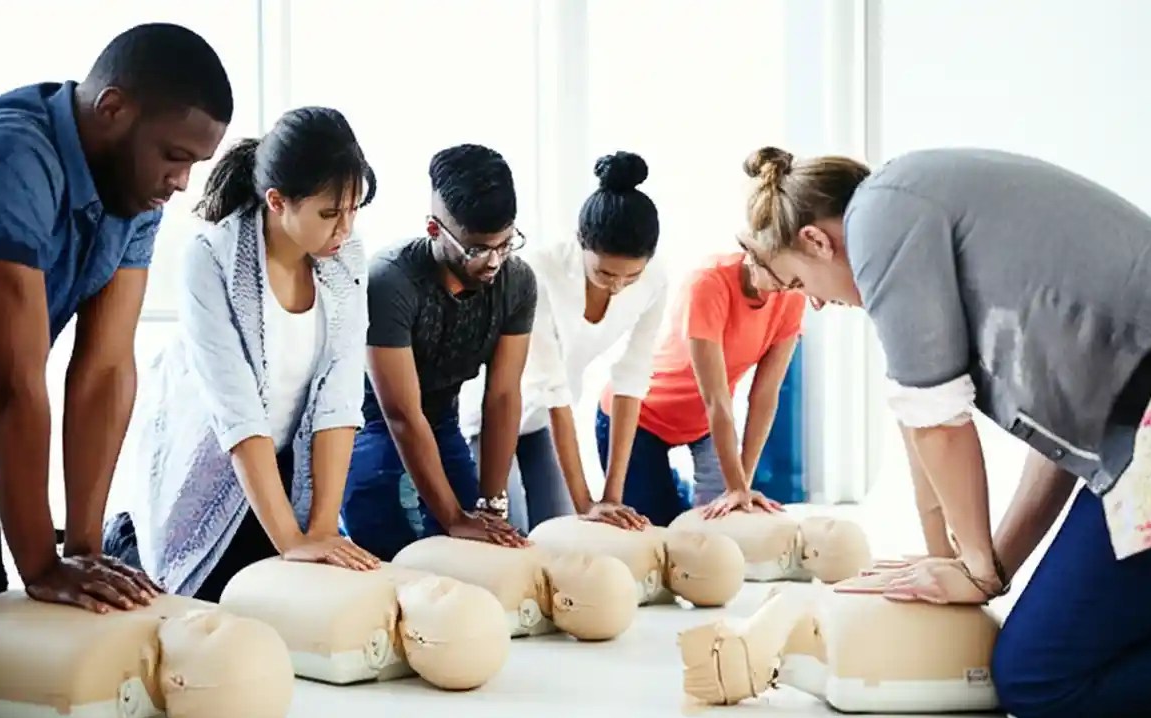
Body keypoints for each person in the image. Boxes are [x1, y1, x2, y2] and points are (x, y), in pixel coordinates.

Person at [745, 144, 1151, 718]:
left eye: (796, 282)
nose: (813, 302)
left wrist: (975, 569)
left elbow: (936, 421)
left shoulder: (879, 219)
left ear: (816, 240)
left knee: (1037, 678)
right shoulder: (915, 202)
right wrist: (992, 569)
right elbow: (1060, 445)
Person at [0, 23, 231, 714]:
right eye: (174, 157)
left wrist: (83, 549)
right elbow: (14, 379)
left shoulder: (134, 193)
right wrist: (39, 565)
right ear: (113, 109)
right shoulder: (6, 158)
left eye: (194, 166)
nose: (180, 184)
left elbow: (105, 369)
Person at [101, 107, 382, 602]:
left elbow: (339, 398)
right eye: (329, 214)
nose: (345, 229)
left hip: (284, 471)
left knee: (301, 605)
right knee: (200, 608)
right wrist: (290, 542)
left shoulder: (345, 260)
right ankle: (124, 542)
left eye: (354, 210)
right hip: (213, 467)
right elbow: (238, 412)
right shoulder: (210, 258)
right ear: (277, 201)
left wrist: (318, 534)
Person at [342, 144, 536, 561]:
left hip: (442, 417)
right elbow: (401, 415)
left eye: (505, 244)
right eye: (477, 249)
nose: (493, 262)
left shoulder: (517, 283)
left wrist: (489, 503)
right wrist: (451, 516)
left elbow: (502, 395)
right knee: (393, 546)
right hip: (370, 422)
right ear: (434, 229)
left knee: (476, 549)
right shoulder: (390, 280)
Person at [593, 151, 805, 529]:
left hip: (702, 427)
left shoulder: (792, 294)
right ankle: (669, 489)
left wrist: (742, 486)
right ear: (753, 254)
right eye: (779, 275)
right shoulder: (709, 283)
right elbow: (716, 398)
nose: (787, 286)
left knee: (723, 529)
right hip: (640, 418)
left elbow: (765, 395)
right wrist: (736, 484)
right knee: (663, 530)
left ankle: (682, 491)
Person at [461, 151, 668, 533]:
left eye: (631, 276)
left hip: (540, 421)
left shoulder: (655, 282)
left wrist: (610, 498)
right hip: (487, 418)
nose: (618, 285)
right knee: (512, 535)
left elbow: (630, 382)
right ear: (580, 242)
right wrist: (585, 501)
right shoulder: (537, 273)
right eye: (604, 272)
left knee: (560, 535)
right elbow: (551, 383)